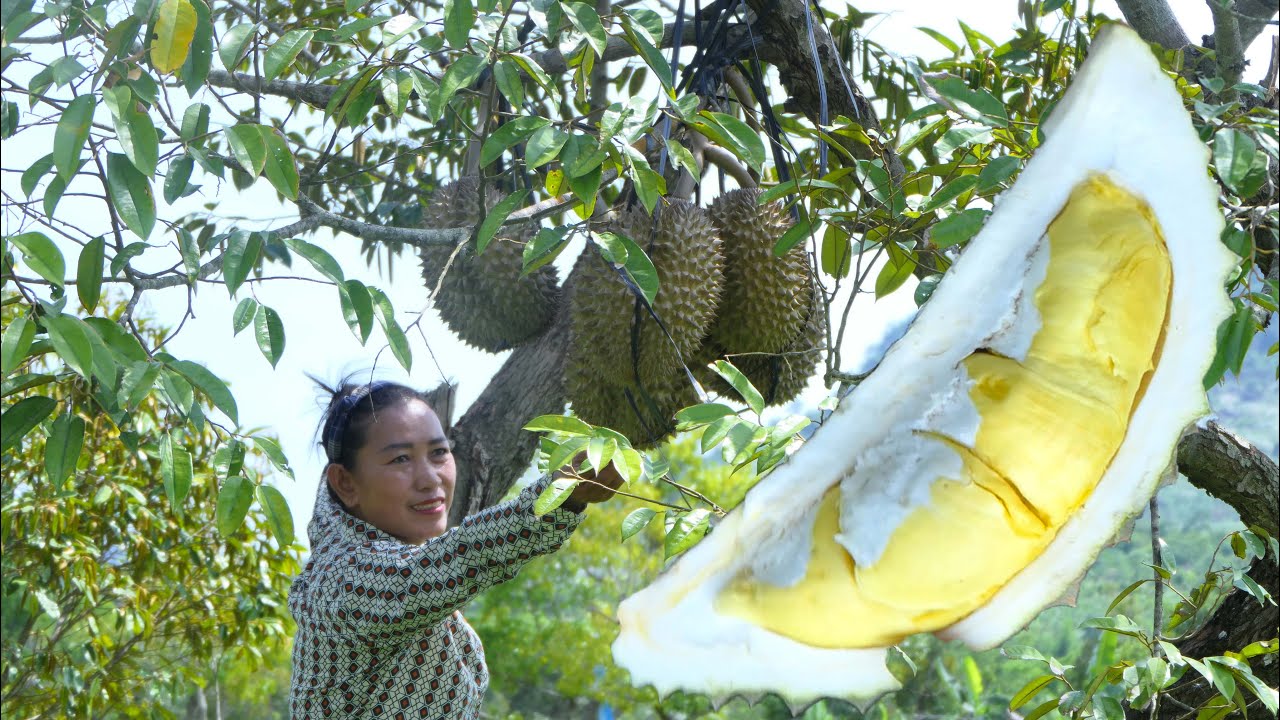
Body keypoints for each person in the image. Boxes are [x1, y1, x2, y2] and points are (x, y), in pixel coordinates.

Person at [288, 378, 622, 719]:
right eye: (400, 459)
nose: (430, 479)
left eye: (438, 453)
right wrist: (558, 500)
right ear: (345, 483)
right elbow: (441, 567)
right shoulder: (339, 580)